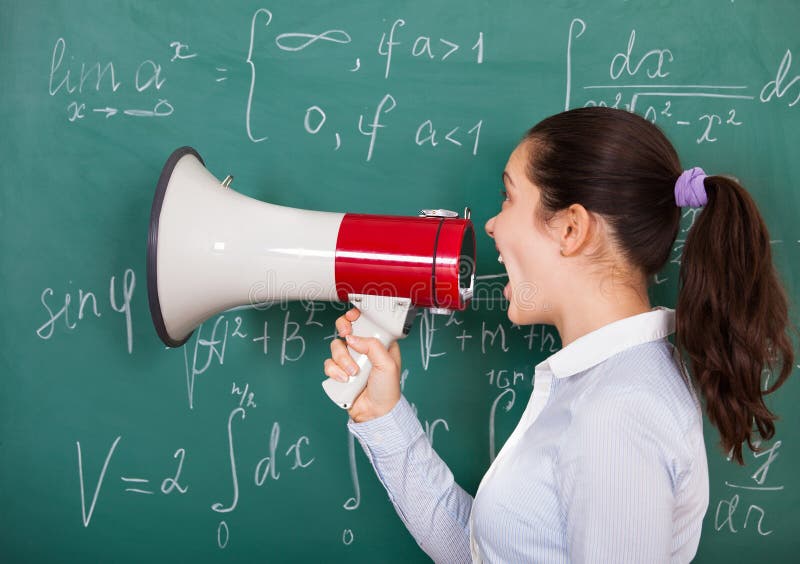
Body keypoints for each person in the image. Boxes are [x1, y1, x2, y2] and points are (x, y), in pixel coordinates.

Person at [322, 106, 795, 563]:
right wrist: (383, 414)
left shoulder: (618, 413)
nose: (490, 224)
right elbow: (485, 552)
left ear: (571, 229)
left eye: (508, 197)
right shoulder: (603, 385)